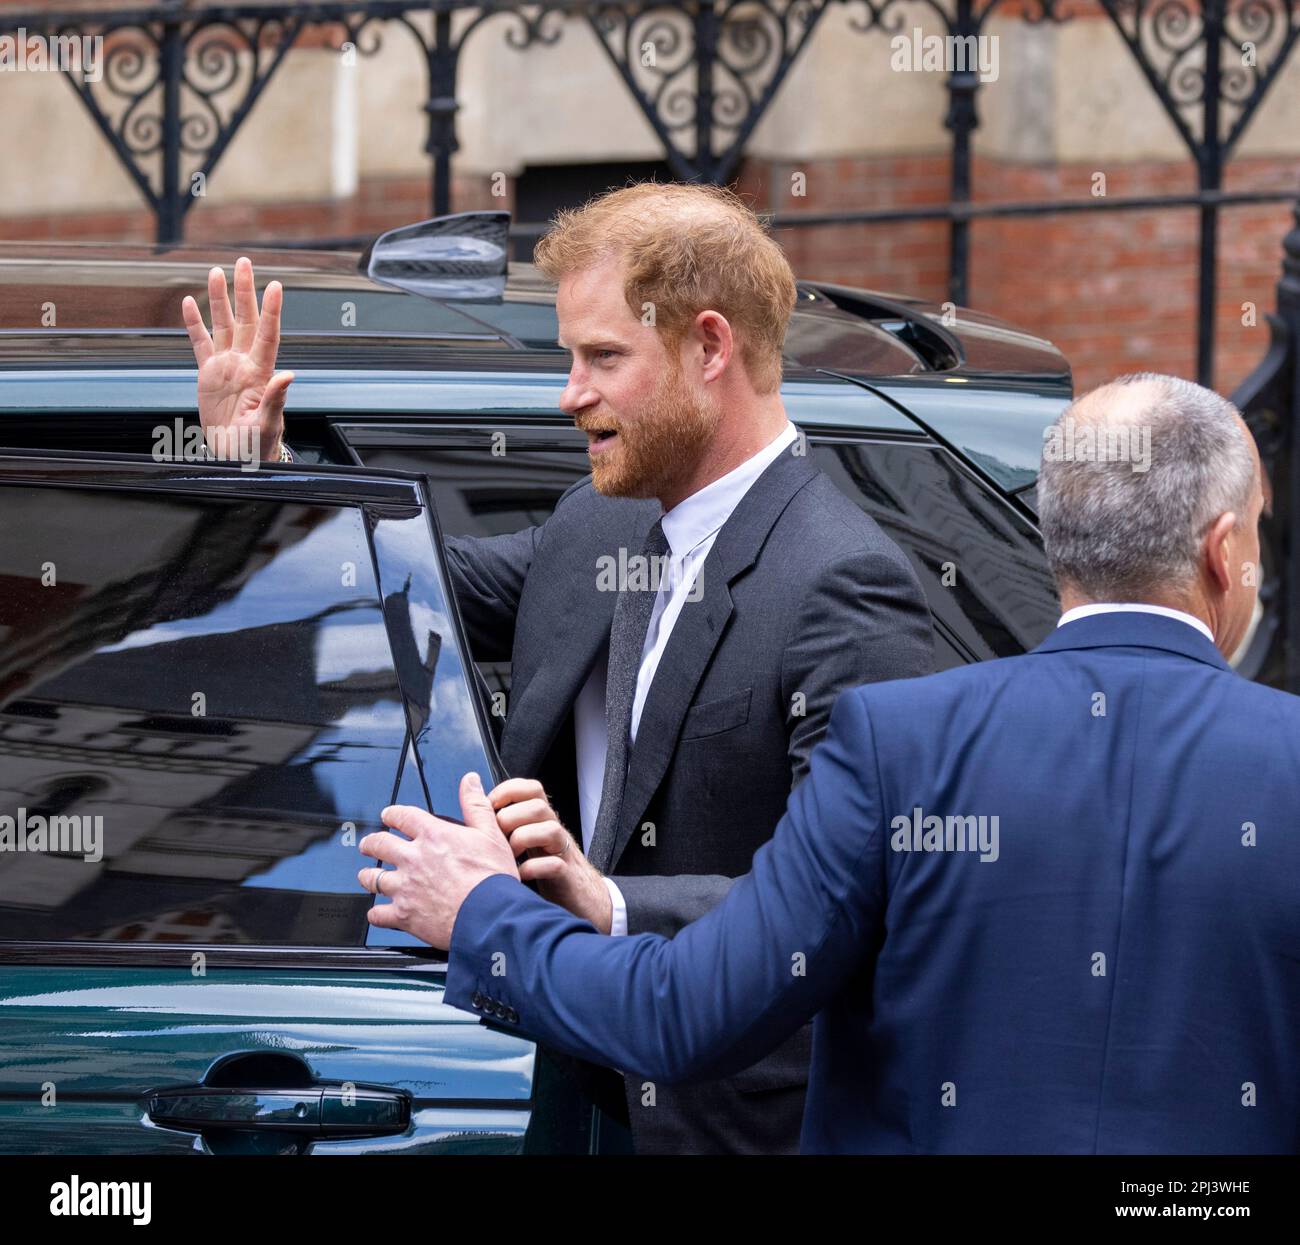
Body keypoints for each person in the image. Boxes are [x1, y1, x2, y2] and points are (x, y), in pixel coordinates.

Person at [357, 373, 1300, 1154]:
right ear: (1224, 551)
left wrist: (486, 910)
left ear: (1057, 542)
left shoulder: (901, 743)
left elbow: (685, 1012)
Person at [183, 181, 935, 1153]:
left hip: (736, 1124)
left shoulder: (844, 582)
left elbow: (847, 903)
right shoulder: (599, 526)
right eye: (570, 357)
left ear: (710, 348)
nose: (569, 392)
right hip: (571, 1093)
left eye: (603, 358)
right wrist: (257, 468)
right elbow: (394, 596)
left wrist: (606, 903)